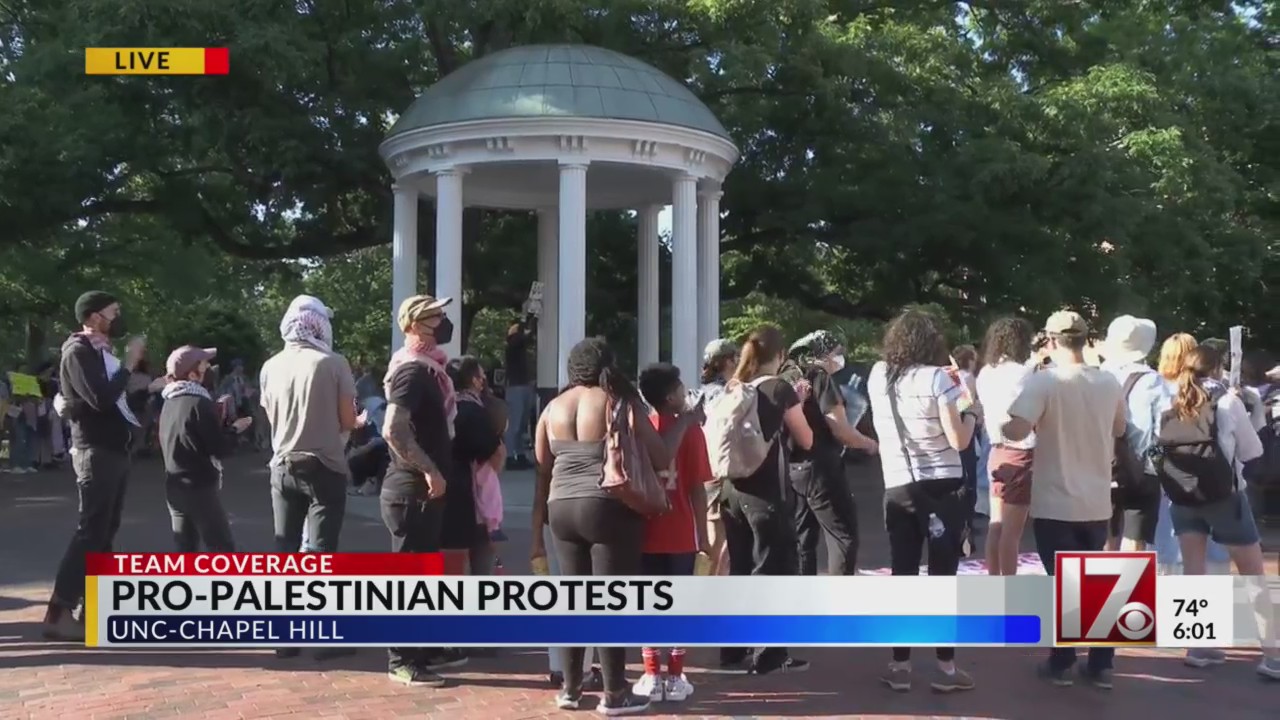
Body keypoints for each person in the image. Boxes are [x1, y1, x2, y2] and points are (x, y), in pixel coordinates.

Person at [530, 337, 686, 715]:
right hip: (607, 506)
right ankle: (615, 693)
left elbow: (542, 473)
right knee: (610, 601)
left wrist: (536, 535)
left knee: (575, 601)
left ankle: (570, 688)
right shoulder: (619, 401)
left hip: (561, 508)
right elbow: (661, 454)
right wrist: (684, 424)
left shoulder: (552, 408)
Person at [1002, 311, 1125, 688]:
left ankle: (1062, 661)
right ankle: (1101, 663)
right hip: (1096, 498)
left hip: (1056, 498)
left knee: (1061, 583)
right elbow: (1119, 428)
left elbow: (1016, 429)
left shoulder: (1046, 381)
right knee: (1096, 580)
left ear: (1051, 341)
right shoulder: (1109, 381)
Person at [866, 310, 977, 692]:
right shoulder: (936, 379)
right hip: (941, 487)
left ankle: (900, 664)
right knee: (943, 578)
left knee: (903, 573)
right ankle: (945, 667)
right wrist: (972, 409)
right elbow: (959, 440)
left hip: (897, 484)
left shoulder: (878, 375)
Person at [1157, 346, 1280, 678]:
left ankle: (1199, 646)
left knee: (1193, 571)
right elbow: (1252, 450)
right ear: (1216, 371)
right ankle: (1273, 654)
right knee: (1253, 574)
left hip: (1182, 495)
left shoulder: (1171, 402)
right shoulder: (1227, 402)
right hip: (1225, 497)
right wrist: (1252, 413)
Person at [43, 291, 143, 641]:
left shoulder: (101, 352)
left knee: (105, 530)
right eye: (113, 312)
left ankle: (96, 606)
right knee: (91, 530)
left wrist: (149, 388)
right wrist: (130, 364)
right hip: (95, 451)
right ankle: (59, 609)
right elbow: (99, 398)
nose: (117, 318)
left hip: (114, 448)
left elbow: (115, 400)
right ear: (93, 316)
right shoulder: (78, 351)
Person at [380, 294, 468, 684]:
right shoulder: (412, 371)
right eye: (436, 316)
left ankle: (423, 650)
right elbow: (393, 429)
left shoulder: (431, 370)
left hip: (424, 490)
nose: (445, 321)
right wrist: (430, 470)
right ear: (416, 325)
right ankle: (401, 659)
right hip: (410, 488)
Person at [717, 325, 813, 676]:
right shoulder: (779, 388)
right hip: (766, 491)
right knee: (773, 569)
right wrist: (797, 404)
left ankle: (732, 649)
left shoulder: (736, 388)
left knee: (740, 567)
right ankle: (770, 653)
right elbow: (806, 439)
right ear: (780, 354)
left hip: (732, 489)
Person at [632, 362, 710, 704]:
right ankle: (676, 675)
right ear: (669, 395)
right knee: (680, 605)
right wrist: (706, 534)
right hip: (681, 531)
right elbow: (697, 488)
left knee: (647, 603)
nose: (685, 393)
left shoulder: (641, 429)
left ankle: (651, 672)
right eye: (680, 388)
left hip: (645, 531)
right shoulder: (692, 431)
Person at [786, 330, 877, 576]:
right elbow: (840, 428)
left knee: (803, 539)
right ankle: (838, 602)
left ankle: (804, 600)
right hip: (821, 468)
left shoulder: (787, 376)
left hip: (792, 468)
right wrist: (868, 443)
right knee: (843, 536)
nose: (839, 358)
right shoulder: (820, 378)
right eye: (836, 353)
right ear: (821, 353)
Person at [158, 346, 252, 551]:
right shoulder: (199, 402)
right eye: (204, 364)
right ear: (193, 374)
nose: (209, 367)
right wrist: (235, 429)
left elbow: (189, 437)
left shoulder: (169, 401)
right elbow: (219, 448)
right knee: (221, 548)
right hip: (199, 488)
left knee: (185, 549)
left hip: (174, 485)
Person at [1153, 334, 1231, 575]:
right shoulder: (1214, 392)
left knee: (1170, 539)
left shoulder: (1156, 388)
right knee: (1210, 545)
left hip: (1169, 475)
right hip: (1211, 479)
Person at [1097, 315, 1164, 552]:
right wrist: (1156, 464)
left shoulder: (1097, 375)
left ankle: (1101, 585)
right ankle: (1129, 587)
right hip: (1140, 468)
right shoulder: (1152, 381)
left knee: (1106, 533)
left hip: (1101, 463)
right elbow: (1159, 429)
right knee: (1135, 536)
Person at [975, 316, 1036, 576]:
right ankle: (1010, 590)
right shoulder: (1025, 373)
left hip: (996, 451)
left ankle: (994, 581)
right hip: (1022, 452)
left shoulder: (986, 372)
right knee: (1013, 533)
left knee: (996, 524)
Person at [447, 355, 505, 573]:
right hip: (473, 500)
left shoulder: (442, 407)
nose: (483, 382)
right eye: (482, 377)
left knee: (450, 564)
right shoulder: (476, 412)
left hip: (443, 493)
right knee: (480, 564)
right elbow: (496, 453)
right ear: (474, 380)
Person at [694, 338, 737, 576]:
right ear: (729, 361)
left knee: (712, 535)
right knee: (717, 538)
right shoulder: (725, 395)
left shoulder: (698, 394)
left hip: (700, 469)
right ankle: (708, 591)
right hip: (717, 471)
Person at [503, 315, 537, 469]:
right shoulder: (513, 345)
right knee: (515, 424)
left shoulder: (521, 345)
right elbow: (523, 338)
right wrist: (531, 320)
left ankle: (520, 454)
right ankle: (510, 456)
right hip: (515, 386)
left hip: (524, 385)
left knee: (521, 424)